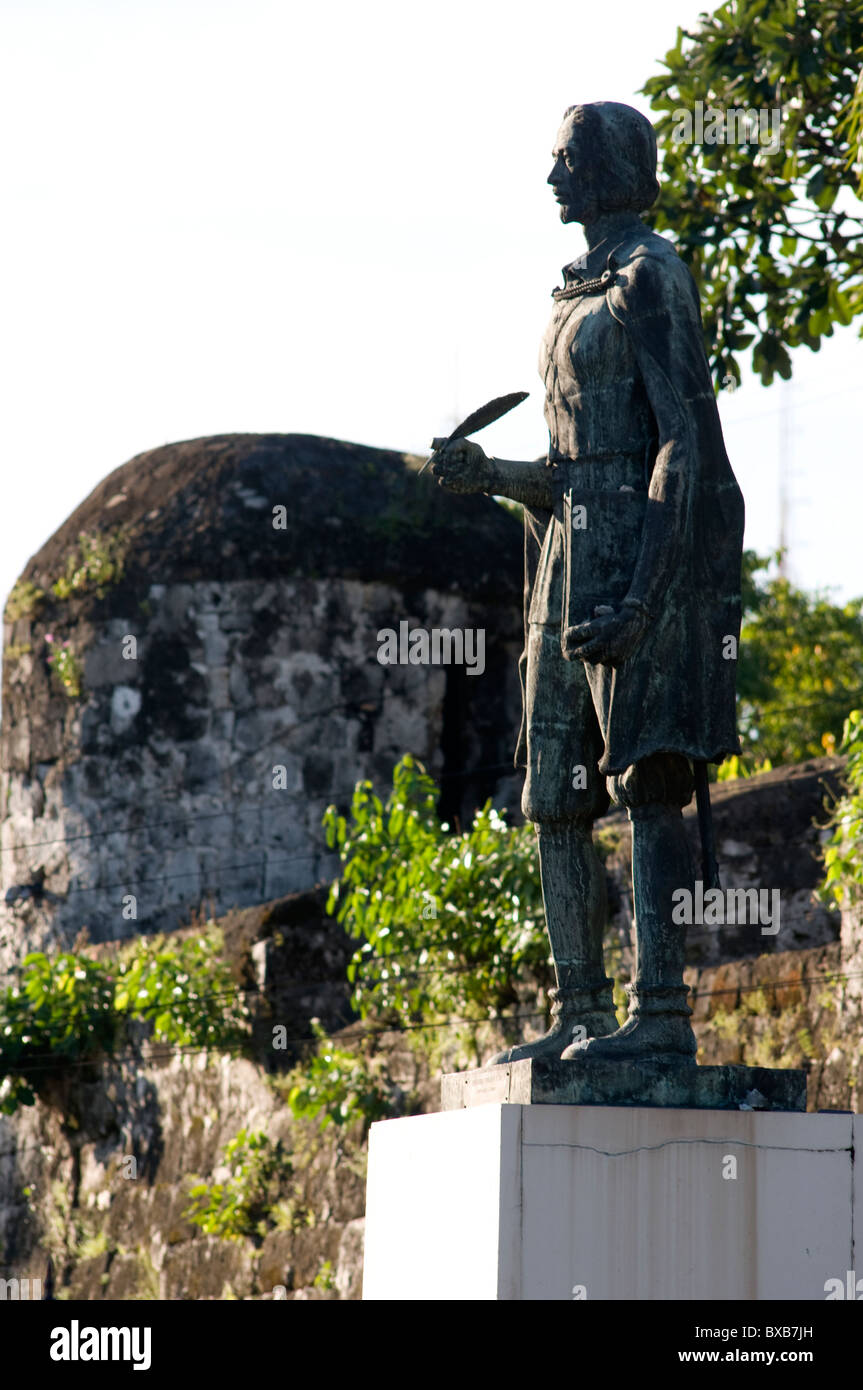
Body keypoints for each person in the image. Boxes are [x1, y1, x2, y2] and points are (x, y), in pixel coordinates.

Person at [430, 101, 744, 1063]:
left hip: (635, 561)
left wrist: (647, 599)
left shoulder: (652, 276)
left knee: (645, 773)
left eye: (566, 159)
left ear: (612, 165)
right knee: (553, 797)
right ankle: (577, 1008)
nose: (552, 177)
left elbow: (680, 444)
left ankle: (658, 1019)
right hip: (565, 555)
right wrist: (490, 477)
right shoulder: (571, 292)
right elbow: (568, 475)